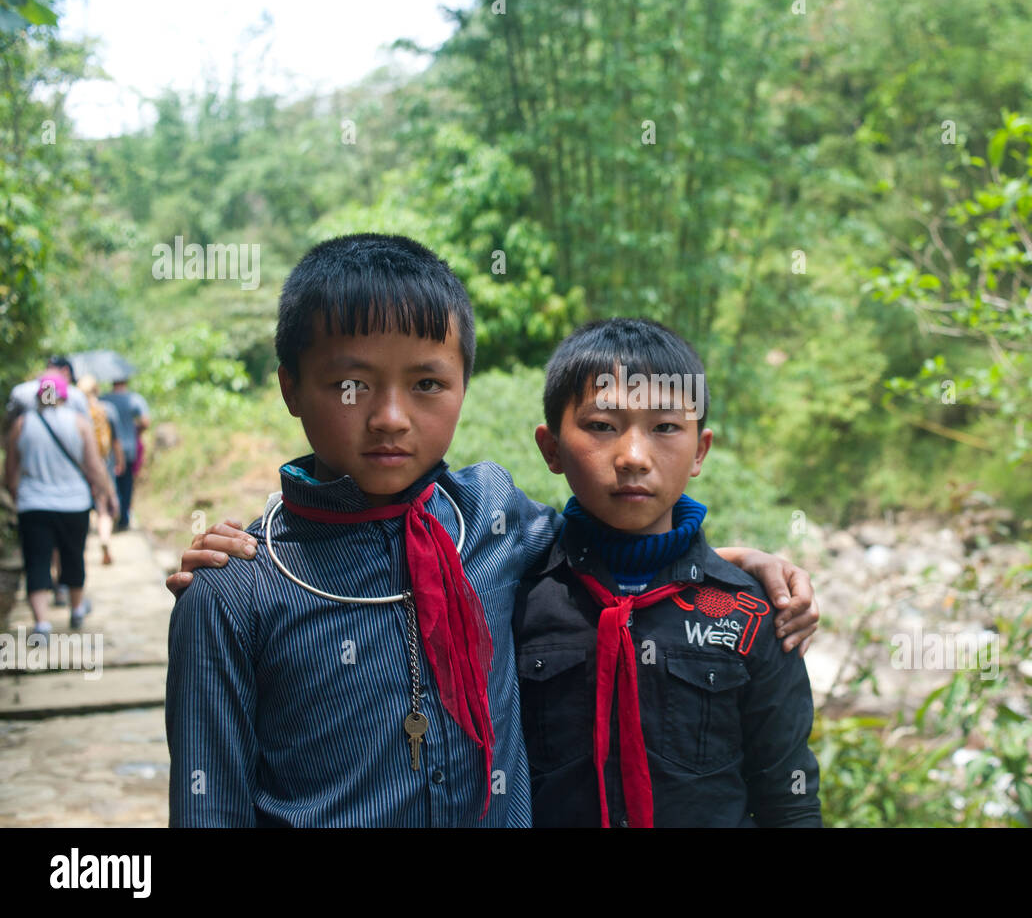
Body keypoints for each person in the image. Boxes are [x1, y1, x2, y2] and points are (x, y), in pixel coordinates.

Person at [164, 233, 818, 827]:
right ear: (290, 387)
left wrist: (737, 566)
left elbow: (620, 539)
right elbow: (208, 809)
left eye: (425, 382)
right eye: (350, 384)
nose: (390, 417)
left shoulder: (492, 519)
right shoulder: (233, 593)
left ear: (463, 385)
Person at [517, 318, 821, 827]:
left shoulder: (752, 612)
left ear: (699, 450)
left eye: (665, 427)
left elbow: (786, 797)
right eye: (601, 426)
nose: (633, 457)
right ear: (551, 448)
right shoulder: (517, 594)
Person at [3, 372, 118, 637]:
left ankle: (42, 623)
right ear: (64, 396)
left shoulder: (22, 424)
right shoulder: (79, 423)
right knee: (73, 556)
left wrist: (19, 493)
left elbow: (10, 472)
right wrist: (108, 494)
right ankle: (76, 609)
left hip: (33, 505)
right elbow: (94, 466)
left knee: (37, 560)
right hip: (74, 504)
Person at [78, 375, 126, 565]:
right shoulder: (108, 410)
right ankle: (105, 540)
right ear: (97, 390)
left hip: (81, 467)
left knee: (82, 509)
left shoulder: (76, 413)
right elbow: (116, 441)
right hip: (103, 465)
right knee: (104, 509)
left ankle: (80, 550)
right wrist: (120, 462)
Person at [99, 375, 149, 531]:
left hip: (110, 450)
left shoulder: (104, 400)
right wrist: (136, 431)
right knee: (127, 483)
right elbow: (146, 421)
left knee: (112, 483)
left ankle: (113, 513)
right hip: (129, 448)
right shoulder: (135, 399)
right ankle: (124, 518)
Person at [5, 355, 91, 423]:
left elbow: (9, 426)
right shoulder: (76, 395)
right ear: (66, 371)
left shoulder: (20, 391)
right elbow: (88, 429)